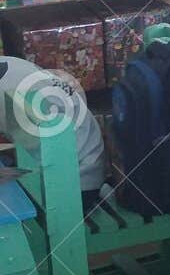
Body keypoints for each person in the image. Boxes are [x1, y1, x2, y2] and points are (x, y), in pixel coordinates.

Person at [0, 57, 104, 197]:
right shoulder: (10, 66)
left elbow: (32, 145)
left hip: (77, 180)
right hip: (86, 155)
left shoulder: (10, 93)